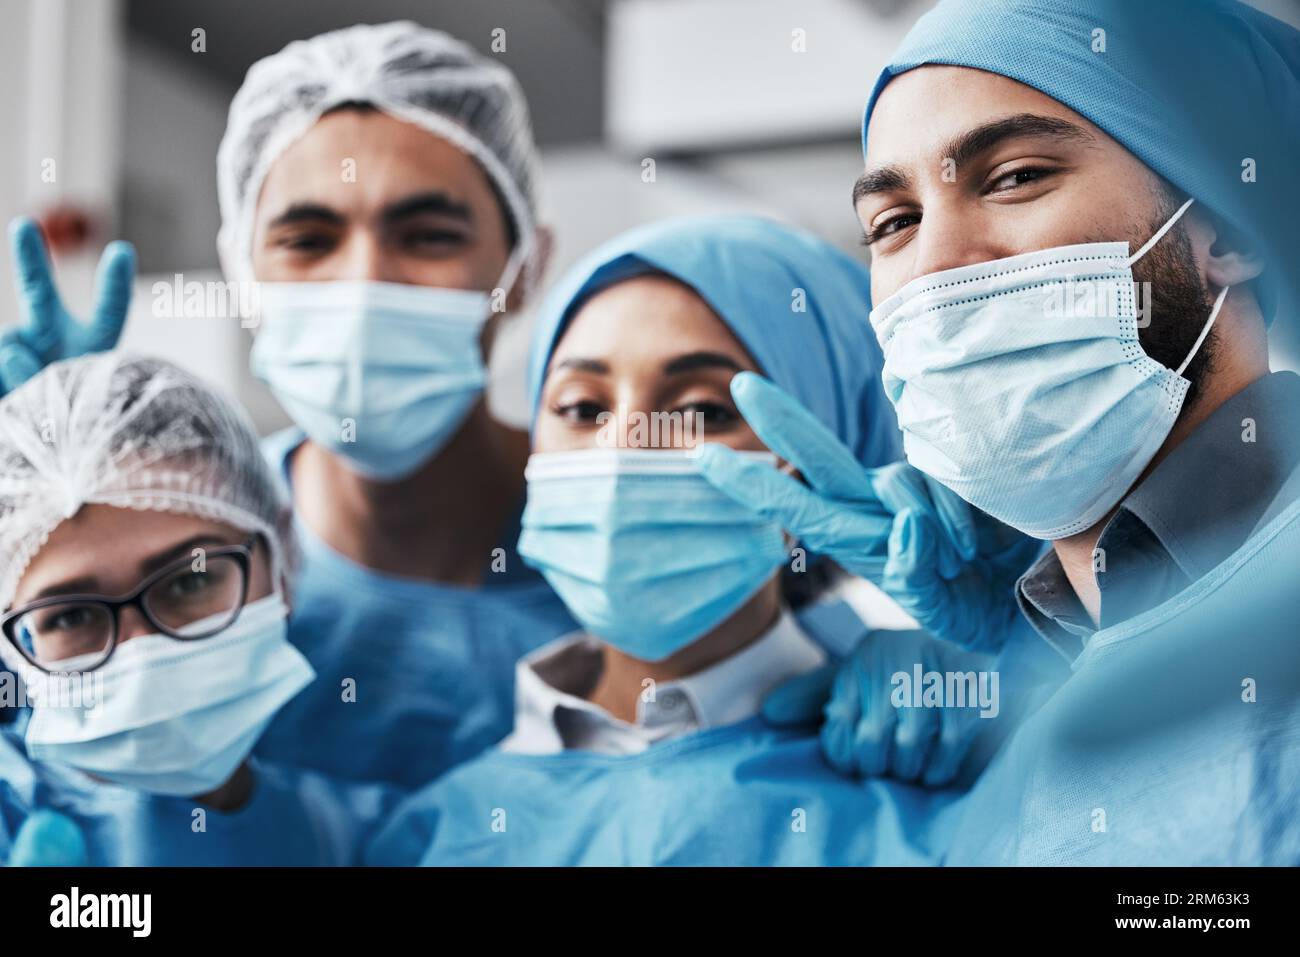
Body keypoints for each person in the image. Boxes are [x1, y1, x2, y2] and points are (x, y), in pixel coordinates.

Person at [697, 0, 1300, 862]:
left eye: (1013, 176)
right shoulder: (1028, 669)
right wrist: (1029, 655)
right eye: (893, 224)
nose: (935, 264)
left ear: (1232, 229)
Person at [1, 22, 576, 788]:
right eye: (308, 240)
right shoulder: (190, 559)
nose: (363, 283)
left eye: (429, 235)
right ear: (242, 276)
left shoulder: (632, 543)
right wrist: (56, 517)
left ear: (524, 268)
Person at [366, 216, 1004, 866]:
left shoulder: (943, 778)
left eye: (701, 410)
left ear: (821, 465)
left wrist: (1049, 667)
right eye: (583, 408)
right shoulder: (434, 832)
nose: (623, 446)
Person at [0, 353, 397, 865]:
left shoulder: (366, 843)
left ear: (281, 563)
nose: (142, 654)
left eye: (190, 581)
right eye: (72, 616)